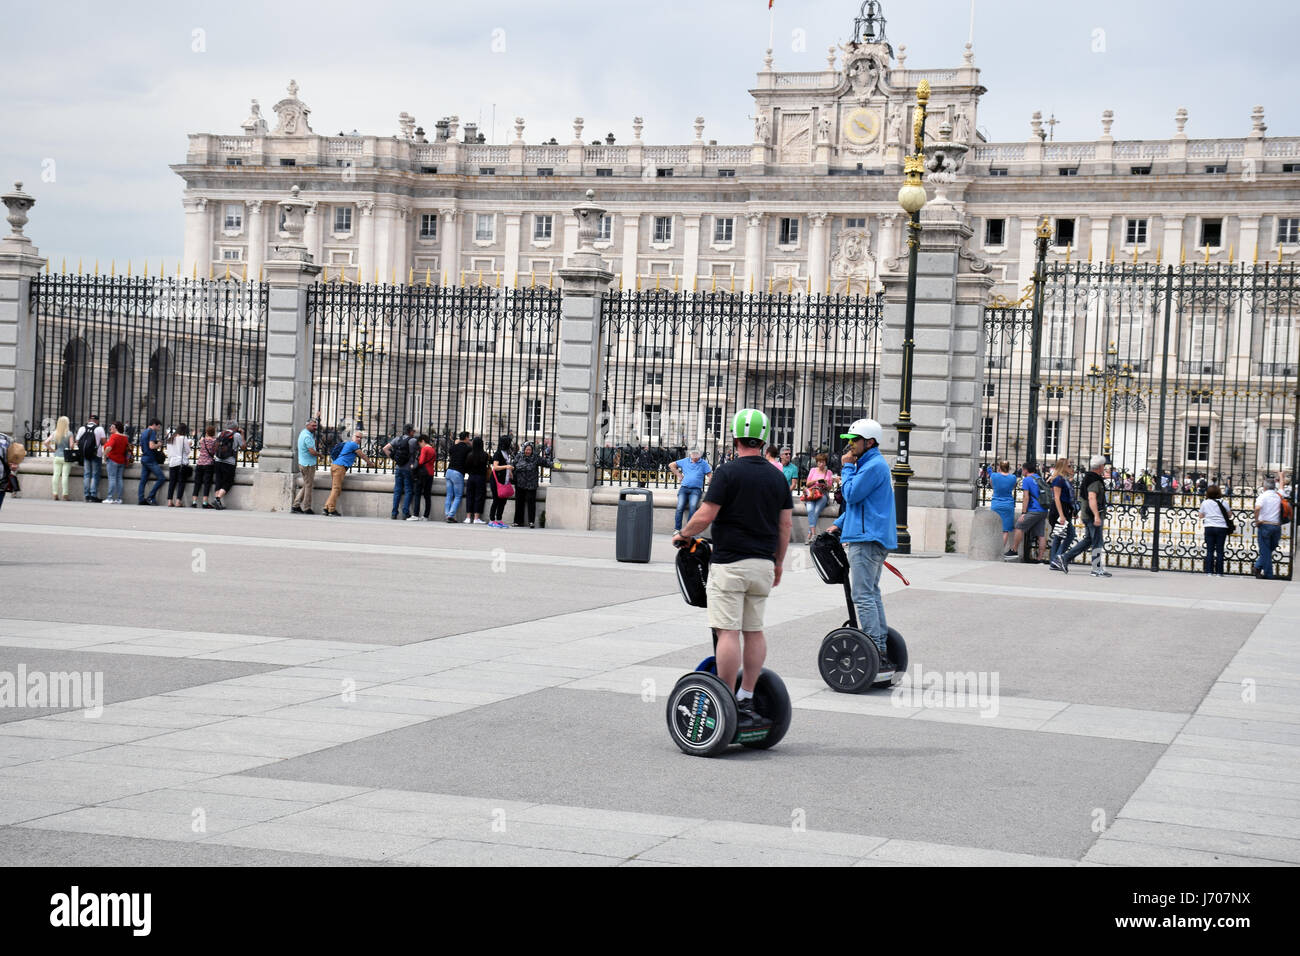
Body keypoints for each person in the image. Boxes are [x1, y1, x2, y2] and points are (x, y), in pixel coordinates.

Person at [674, 409, 792, 734]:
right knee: (753, 630)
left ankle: (724, 700)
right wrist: (779, 562)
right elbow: (785, 526)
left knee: (727, 631)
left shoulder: (727, 473)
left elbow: (705, 515)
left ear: (735, 437)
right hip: (763, 565)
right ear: (764, 439)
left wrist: (683, 534)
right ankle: (746, 697)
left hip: (730, 564)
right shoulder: (777, 476)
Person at [828, 418, 898, 675]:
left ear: (869, 442)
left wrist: (845, 469)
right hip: (868, 535)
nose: (849, 447)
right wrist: (837, 524)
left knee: (863, 594)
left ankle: (875, 650)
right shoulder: (870, 464)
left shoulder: (873, 466)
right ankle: (878, 645)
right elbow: (862, 505)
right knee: (871, 592)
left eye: (854, 441)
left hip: (867, 540)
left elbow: (852, 495)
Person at [1061, 454, 1111, 577]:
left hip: (1087, 513)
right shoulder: (1094, 480)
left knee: (1089, 540)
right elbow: (1092, 497)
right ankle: (1096, 569)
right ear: (1100, 467)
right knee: (1097, 542)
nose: (1104, 468)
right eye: (1103, 466)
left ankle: (1065, 558)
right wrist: (1097, 516)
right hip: (1092, 515)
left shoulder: (1089, 477)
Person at [324, 430, 372, 517]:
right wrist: (370, 463)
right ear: (353, 436)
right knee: (336, 489)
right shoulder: (353, 444)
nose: (359, 439)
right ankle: (331, 509)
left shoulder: (348, 444)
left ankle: (327, 507)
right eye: (357, 437)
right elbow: (362, 455)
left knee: (335, 489)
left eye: (361, 438)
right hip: (340, 467)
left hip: (336, 465)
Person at [669, 448, 712, 533]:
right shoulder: (685, 461)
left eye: (696, 455)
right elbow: (671, 465)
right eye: (693, 455)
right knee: (680, 507)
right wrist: (679, 475)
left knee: (692, 507)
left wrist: (710, 482)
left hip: (696, 490)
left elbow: (710, 475)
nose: (695, 457)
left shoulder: (703, 463)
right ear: (690, 455)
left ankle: (688, 529)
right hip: (684, 488)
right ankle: (677, 529)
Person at [510, 440, 551, 528]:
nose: (528, 451)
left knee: (531, 503)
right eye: (526, 449)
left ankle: (531, 522)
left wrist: (555, 465)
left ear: (532, 450)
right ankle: (518, 521)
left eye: (529, 450)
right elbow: (512, 465)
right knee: (519, 503)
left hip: (531, 484)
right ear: (524, 449)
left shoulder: (536, 457)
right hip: (520, 484)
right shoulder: (519, 456)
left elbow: (546, 463)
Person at [1014, 461, 1049, 560]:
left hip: (1034, 510)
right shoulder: (1040, 478)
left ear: (1025, 470)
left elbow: (1026, 497)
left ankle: (1014, 550)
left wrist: (1023, 513)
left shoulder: (1027, 480)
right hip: (1043, 510)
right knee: (1041, 534)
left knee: (1019, 526)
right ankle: (1040, 558)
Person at [1047, 458, 1077, 572]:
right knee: (1070, 535)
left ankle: (1054, 561)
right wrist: (1062, 515)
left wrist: (1072, 510)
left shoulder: (1065, 480)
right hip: (1059, 511)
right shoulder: (1058, 480)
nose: (1071, 468)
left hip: (1065, 510)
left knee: (1059, 536)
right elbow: (1057, 498)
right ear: (1063, 467)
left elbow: (1069, 498)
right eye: (1069, 466)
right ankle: (1057, 559)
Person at [1252, 477, 1285, 579]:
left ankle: (1266, 573)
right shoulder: (1278, 495)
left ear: (1264, 487)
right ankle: (1258, 568)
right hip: (1276, 526)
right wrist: (1281, 477)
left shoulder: (1262, 496)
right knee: (1270, 548)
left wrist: (1257, 520)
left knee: (1265, 550)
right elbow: (1282, 488)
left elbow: (1257, 508)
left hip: (1265, 525)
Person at [383, 423, 417, 520]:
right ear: (410, 431)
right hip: (407, 469)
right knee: (408, 490)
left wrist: (394, 458)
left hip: (398, 468)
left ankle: (394, 513)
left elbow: (385, 448)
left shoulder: (397, 439)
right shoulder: (413, 441)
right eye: (413, 431)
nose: (414, 432)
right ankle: (406, 513)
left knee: (397, 490)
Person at [210, 420, 245, 511]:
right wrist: (242, 435)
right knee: (228, 482)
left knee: (218, 481)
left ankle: (217, 501)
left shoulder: (220, 434)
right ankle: (217, 499)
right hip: (229, 462)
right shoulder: (236, 435)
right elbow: (243, 447)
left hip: (218, 460)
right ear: (236, 427)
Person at [802, 453, 836, 543]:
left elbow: (830, 488)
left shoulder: (829, 472)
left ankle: (810, 534)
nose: (821, 464)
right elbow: (807, 484)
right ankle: (813, 533)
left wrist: (825, 484)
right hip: (812, 494)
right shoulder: (813, 470)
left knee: (816, 511)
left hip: (822, 494)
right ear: (817, 463)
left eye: (823, 462)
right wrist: (816, 481)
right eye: (819, 462)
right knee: (810, 510)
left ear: (825, 463)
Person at [292, 416, 322, 514]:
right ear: (307, 425)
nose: (315, 428)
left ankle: (296, 505)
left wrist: (318, 416)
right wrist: (320, 455)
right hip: (308, 464)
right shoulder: (307, 437)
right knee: (309, 486)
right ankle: (306, 507)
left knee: (306, 485)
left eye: (316, 426)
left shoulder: (303, 433)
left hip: (303, 463)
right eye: (313, 426)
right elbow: (312, 451)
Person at [1199, 484, 1231, 577]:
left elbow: (1200, 515)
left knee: (1210, 550)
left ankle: (1209, 571)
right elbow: (1230, 515)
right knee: (1220, 550)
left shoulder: (1205, 503)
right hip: (1221, 527)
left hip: (1209, 526)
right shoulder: (1223, 502)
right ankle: (1219, 572)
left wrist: (1209, 515)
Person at [989, 459, 1019, 556]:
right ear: (1008, 467)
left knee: (995, 528)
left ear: (999, 467)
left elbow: (992, 485)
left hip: (996, 503)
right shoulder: (1013, 477)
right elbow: (1013, 487)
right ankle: (1000, 552)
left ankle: (993, 549)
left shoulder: (994, 476)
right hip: (1008, 504)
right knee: (1005, 530)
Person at [75, 415, 106, 502]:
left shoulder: (82, 428)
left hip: (86, 454)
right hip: (97, 454)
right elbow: (104, 442)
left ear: (89, 420)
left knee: (87, 474)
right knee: (95, 475)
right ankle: (93, 495)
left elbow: (77, 441)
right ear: (97, 421)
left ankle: (86, 495)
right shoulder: (99, 429)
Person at [136, 417, 166, 506]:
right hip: (150, 459)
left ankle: (141, 499)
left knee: (143, 480)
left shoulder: (144, 432)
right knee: (161, 478)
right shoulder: (152, 432)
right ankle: (151, 496)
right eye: (158, 427)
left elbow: (142, 445)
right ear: (154, 425)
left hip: (144, 458)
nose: (159, 429)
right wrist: (159, 444)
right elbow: (152, 446)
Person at [44, 415, 74, 501]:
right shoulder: (69, 433)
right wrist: (71, 446)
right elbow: (71, 446)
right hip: (66, 456)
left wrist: (52, 450)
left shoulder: (55, 432)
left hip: (57, 456)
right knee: (65, 476)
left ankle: (55, 493)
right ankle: (65, 495)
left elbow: (46, 442)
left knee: (56, 475)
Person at [408, 434, 437, 521]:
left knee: (417, 493)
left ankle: (416, 514)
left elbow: (421, 462)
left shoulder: (425, 449)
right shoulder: (433, 450)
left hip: (423, 474)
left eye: (420, 443)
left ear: (423, 441)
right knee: (427, 495)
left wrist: (414, 465)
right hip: (431, 473)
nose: (420, 445)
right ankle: (426, 516)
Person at [444, 430, 471, 523]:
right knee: (458, 495)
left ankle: (447, 514)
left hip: (449, 471)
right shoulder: (468, 448)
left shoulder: (453, 447)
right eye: (469, 437)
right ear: (466, 438)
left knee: (449, 495)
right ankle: (450, 516)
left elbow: (451, 453)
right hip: (457, 472)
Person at [164, 424, 194, 507]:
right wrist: (189, 445)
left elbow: (168, 451)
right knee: (181, 482)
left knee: (172, 482)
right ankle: (178, 501)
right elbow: (187, 452)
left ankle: (169, 501)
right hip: (181, 463)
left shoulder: (170, 438)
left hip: (172, 462)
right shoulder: (183, 438)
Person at [488, 435, 514, 526]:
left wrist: (509, 471)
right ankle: (491, 520)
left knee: (503, 501)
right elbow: (495, 467)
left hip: (504, 480)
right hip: (496, 480)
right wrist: (506, 467)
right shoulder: (498, 453)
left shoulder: (506, 453)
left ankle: (499, 519)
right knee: (496, 500)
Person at [101, 421, 129, 504]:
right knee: (119, 479)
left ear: (116, 428)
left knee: (112, 479)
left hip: (113, 460)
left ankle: (110, 498)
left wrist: (105, 456)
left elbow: (109, 447)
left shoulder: (114, 436)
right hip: (121, 461)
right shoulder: (125, 437)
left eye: (112, 426)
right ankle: (119, 499)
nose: (110, 428)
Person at [463, 436, 489, 524]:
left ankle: (468, 517)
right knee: (479, 496)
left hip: (471, 477)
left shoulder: (469, 455)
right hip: (480, 477)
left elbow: (466, 467)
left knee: (469, 496)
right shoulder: (485, 455)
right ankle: (476, 518)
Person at [192, 425, 218, 508]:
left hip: (200, 463)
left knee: (197, 483)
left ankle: (194, 502)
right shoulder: (215, 441)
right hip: (208, 464)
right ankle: (205, 503)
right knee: (207, 483)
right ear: (214, 433)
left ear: (206, 432)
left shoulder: (202, 440)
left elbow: (200, 448)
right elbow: (214, 452)